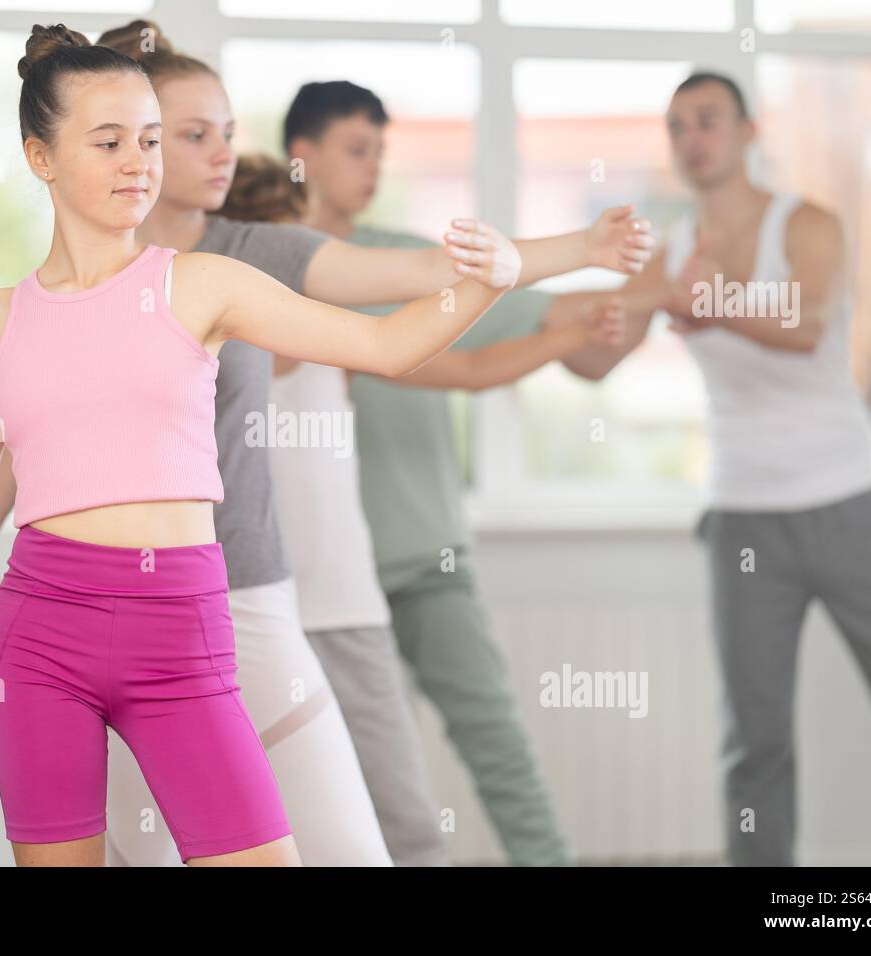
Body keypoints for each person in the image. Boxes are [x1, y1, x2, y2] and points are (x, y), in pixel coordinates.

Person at [0, 19, 653, 867]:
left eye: (216, 133)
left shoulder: (241, 261)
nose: (209, 153)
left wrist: (571, 251)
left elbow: (412, 293)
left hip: (237, 595)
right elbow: (23, 464)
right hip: (89, 611)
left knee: (340, 839)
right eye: (177, 135)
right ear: (63, 151)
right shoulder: (31, 311)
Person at [552, 70, 871, 866]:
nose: (692, 139)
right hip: (742, 520)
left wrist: (702, 300)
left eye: (707, 121)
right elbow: (595, 362)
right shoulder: (667, 256)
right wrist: (549, 313)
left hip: (845, 506)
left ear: (747, 134)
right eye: (677, 127)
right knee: (753, 738)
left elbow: (805, 323)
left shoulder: (808, 224)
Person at [221, 152, 624, 865]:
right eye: (291, 246)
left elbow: (462, 368)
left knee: (400, 824)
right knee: (270, 828)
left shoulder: (328, 336)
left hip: (345, 609)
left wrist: (568, 334)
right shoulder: (217, 343)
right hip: (254, 618)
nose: (305, 263)